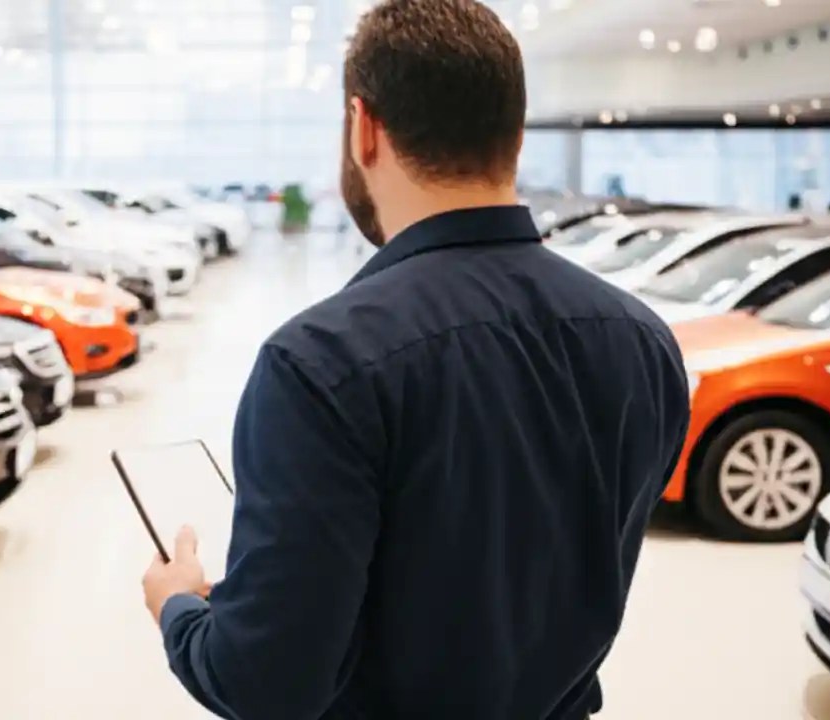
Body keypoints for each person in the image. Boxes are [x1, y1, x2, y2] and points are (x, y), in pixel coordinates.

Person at [141, 1, 690, 718]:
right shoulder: (643, 341)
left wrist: (178, 609)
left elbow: (267, 684)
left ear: (363, 127)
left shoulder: (319, 365)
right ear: (515, 137)